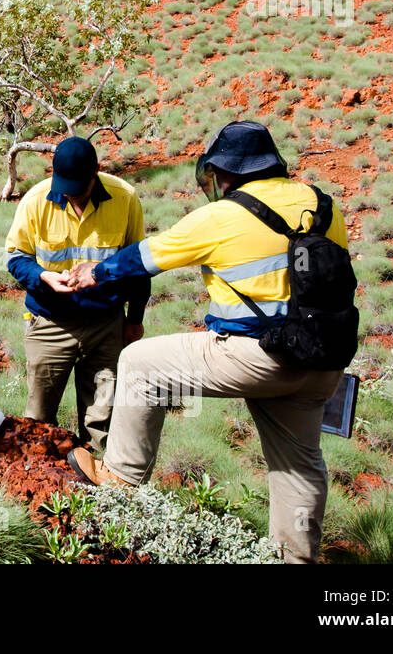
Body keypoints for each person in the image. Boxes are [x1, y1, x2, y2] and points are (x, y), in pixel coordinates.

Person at [62, 121, 351, 563]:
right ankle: (297, 559)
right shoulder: (324, 205)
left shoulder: (221, 216)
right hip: (320, 361)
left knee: (140, 362)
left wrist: (90, 273)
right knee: (298, 464)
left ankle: (118, 478)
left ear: (225, 173)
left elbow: (145, 258)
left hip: (257, 357)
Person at [4, 136, 149, 453]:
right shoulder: (35, 201)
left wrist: (134, 320)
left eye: (78, 187)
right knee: (38, 420)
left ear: (96, 172)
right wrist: (43, 276)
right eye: (65, 186)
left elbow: (139, 265)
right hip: (50, 323)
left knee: (102, 422)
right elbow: (15, 259)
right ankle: (43, 490)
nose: (70, 194)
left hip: (105, 325)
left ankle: (97, 489)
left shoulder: (125, 198)